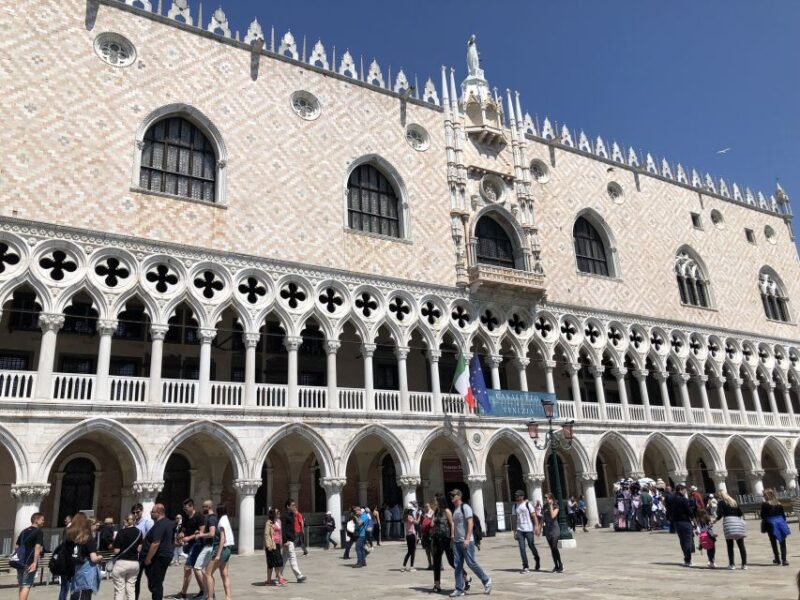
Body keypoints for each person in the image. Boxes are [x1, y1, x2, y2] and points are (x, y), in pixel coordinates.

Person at [449, 488, 491, 597]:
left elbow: (470, 523)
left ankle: (486, 581)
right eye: (451, 496)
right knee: (458, 566)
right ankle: (459, 588)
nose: (452, 497)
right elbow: (455, 525)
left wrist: (467, 538)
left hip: (467, 541)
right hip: (457, 542)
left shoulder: (465, 507)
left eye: (453, 495)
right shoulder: (455, 509)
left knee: (471, 563)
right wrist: (453, 538)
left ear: (459, 496)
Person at [169, 498, 204, 599]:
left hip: (198, 544)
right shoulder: (185, 517)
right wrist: (181, 534)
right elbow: (183, 529)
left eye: (186, 508)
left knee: (187, 567)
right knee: (197, 569)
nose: (185, 511)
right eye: (184, 509)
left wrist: (189, 537)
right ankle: (204, 590)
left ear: (192, 506)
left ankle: (183, 593)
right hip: (190, 545)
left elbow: (201, 532)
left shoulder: (199, 516)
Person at [66, 512, 103, 599]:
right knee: (86, 592)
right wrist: (100, 557)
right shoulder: (90, 539)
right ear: (91, 525)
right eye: (96, 525)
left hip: (78, 566)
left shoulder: (80, 537)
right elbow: (93, 558)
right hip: (88, 568)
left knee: (76, 590)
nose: (97, 527)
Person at [143, 504, 174, 600]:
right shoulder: (168, 523)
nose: (150, 513)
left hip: (158, 557)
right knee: (157, 583)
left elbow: (156, 543)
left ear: (159, 512)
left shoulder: (161, 524)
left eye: (152, 511)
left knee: (155, 584)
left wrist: (148, 559)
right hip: (163, 555)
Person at [112, 514, 143, 600]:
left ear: (125, 521)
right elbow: (139, 549)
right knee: (131, 588)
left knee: (119, 590)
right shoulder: (139, 532)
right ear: (134, 521)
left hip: (121, 563)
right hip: (134, 563)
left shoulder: (121, 532)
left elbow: (116, 551)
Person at [714, 489, 747, 570]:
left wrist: (714, 521)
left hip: (728, 523)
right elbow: (740, 513)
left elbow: (720, 515)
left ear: (720, 496)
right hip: (737, 522)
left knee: (730, 545)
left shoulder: (721, 502)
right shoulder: (734, 502)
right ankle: (744, 564)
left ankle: (732, 564)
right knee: (741, 545)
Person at [15, 512, 44, 600]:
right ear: (36, 520)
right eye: (42, 520)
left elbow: (17, 546)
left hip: (20, 562)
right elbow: (38, 547)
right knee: (26, 585)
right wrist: (35, 562)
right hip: (30, 562)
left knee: (22, 585)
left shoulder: (24, 531)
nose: (44, 522)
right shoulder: (39, 532)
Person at [207, 504, 234, 600]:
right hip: (228, 550)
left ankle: (210, 597)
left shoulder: (221, 521)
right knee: (224, 574)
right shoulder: (226, 519)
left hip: (221, 550)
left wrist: (218, 555)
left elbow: (223, 538)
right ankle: (228, 597)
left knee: (208, 573)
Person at [761, 488, 791, 566]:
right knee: (782, 542)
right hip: (780, 523)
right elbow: (783, 516)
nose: (763, 496)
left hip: (770, 525)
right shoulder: (779, 504)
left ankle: (777, 559)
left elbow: (763, 516)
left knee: (773, 542)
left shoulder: (765, 505)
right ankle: (784, 560)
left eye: (764, 495)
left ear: (767, 495)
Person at [512, 489, 540, 573]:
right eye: (516, 496)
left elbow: (534, 515)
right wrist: (514, 531)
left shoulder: (527, 504)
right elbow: (513, 518)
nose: (517, 497)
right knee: (522, 548)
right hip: (520, 529)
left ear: (522, 496)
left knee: (531, 545)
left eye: (518, 496)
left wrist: (536, 526)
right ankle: (525, 566)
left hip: (528, 529)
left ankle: (537, 558)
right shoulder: (515, 506)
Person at [281, 498, 307, 582]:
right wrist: (285, 541)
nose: (294, 507)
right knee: (292, 557)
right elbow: (283, 529)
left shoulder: (292, 515)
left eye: (295, 505)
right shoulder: (284, 516)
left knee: (284, 559)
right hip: (287, 541)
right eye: (293, 505)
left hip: (291, 539)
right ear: (288, 506)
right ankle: (299, 576)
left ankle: (279, 575)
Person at [132, 503, 153, 600]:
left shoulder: (147, 522)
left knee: (151, 579)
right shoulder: (133, 523)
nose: (135, 514)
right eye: (134, 512)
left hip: (145, 554)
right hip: (136, 556)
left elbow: (151, 538)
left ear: (142, 511)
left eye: (137, 512)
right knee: (136, 580)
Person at [670, 484, 696, 567]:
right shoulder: (683, 500)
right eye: (684, 490)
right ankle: (688, 560)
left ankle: (686, 559)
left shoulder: (672, 499)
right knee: (688, 540)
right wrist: (694, 519)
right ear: (681, 490)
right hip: (685, 522)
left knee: (682, 540)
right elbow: (689, 511)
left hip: (676, 522)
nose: (685, 492)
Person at [541, 493, 563, 573]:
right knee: (552, 548)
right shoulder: (544, 507)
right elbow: (543, 518)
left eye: (547, 498)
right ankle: (556, 566)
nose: (546, 499)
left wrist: (550, 506)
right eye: (545, 498)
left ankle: (560, 564)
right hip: (548, 530)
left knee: (554, 546)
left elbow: (553, 516)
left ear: (551, 498)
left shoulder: (555, 506)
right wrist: (539, 528)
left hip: (555, 529)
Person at [264, 508, 286, 586]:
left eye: (279, 511)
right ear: (274, 514)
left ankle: (273, 578)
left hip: (277, 544)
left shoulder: (279, 521)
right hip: (271, 544)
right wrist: (268, 545)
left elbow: (280, 533)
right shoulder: (269, 522)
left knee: (278, 561)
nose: (279, 513)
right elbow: (267, 534)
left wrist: (281, 542)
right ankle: (277, 578)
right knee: (271, 562)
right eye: (277, 512)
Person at [401, 507, 419, 572]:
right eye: (411, 511)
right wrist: (418, 516)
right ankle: (411, 567)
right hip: (412, 535)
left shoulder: (404, 517)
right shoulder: (409, 517)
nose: (412, 512)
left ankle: (403, 566)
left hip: (408, 535)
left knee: (409, 552)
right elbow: (416, 522)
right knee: (413, 551)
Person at [420, 503, 434, 570]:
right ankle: (430, 564)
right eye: (425, 507)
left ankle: (435, 564)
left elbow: (432, 523)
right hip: (425, 534)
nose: (425, 508)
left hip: (430, 533)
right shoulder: (424, 514)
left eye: (426, 507)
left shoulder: (432, 513)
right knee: (427, 550)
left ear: (429, 506)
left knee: (432, 550)